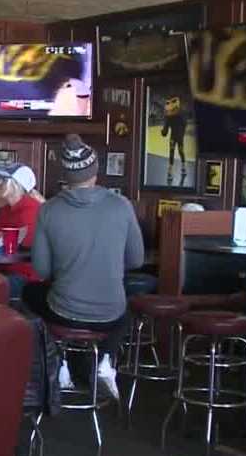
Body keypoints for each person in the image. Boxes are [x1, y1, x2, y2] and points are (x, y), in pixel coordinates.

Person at [25, 134, 144, 399]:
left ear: (65, 175)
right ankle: (106, 360)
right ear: (95, 171)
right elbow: (136, 260)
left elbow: (41, 271)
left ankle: (60, 362)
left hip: (63, 312)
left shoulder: (48, 210)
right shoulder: (121, 205)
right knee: (126, 304)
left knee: (28, 292)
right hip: (111, 314)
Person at [0, 163, 43, 297]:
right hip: (5, 271)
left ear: (16, 185)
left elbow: (10, 246)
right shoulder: (5, 210)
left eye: (3, 179)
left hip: (26, 278)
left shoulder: (32, 210)